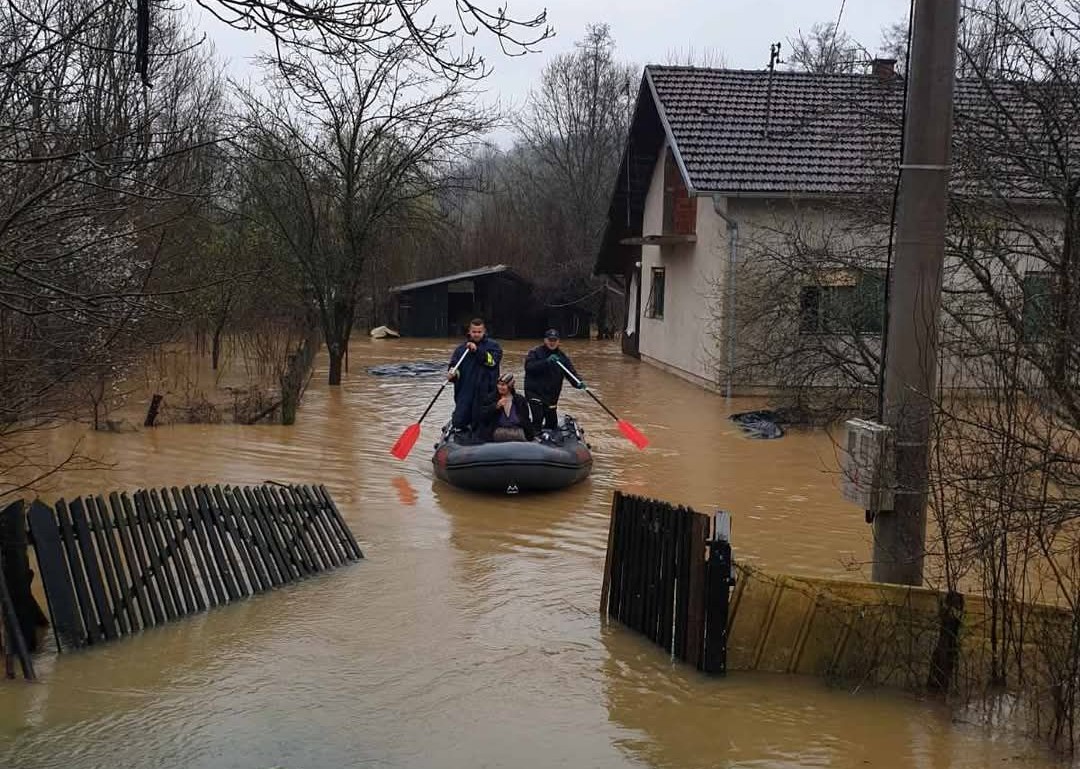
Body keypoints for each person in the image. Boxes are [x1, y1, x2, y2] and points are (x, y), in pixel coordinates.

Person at [447, 318, 502, 433]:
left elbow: (492, 362)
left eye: (479, 332)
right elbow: (454, 366)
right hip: (465, 391)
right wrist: (452, 374)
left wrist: (477, 350)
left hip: (486, 391)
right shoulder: (461, 350)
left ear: (484, 332)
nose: (476, 334)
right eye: (474, 332)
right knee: (459, 421)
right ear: (469, 332)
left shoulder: (494, 347)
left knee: (482, 422)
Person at [523, 328, 585, 431]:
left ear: (558, 341)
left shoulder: (562, 357)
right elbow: (529, 368)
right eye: (550, 340)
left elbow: (571, 373)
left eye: (554, 340)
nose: (552, 342)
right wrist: (546, 362)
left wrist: (578, 382)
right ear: (545, 340)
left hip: (551, 395)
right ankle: (534, 438)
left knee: (552, 423)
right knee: (538, 418)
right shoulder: (535, 353)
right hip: (535, 393)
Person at [479, 373, 536, 442]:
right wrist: (495, 406)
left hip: (517, 431)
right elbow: (482, 417)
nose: (500, 387)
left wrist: (531, 435)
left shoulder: (520, 400)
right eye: (498, 384)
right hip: (498, 431)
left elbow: (526, 419)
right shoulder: (491, 398)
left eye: (503, 385)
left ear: (510, 386)